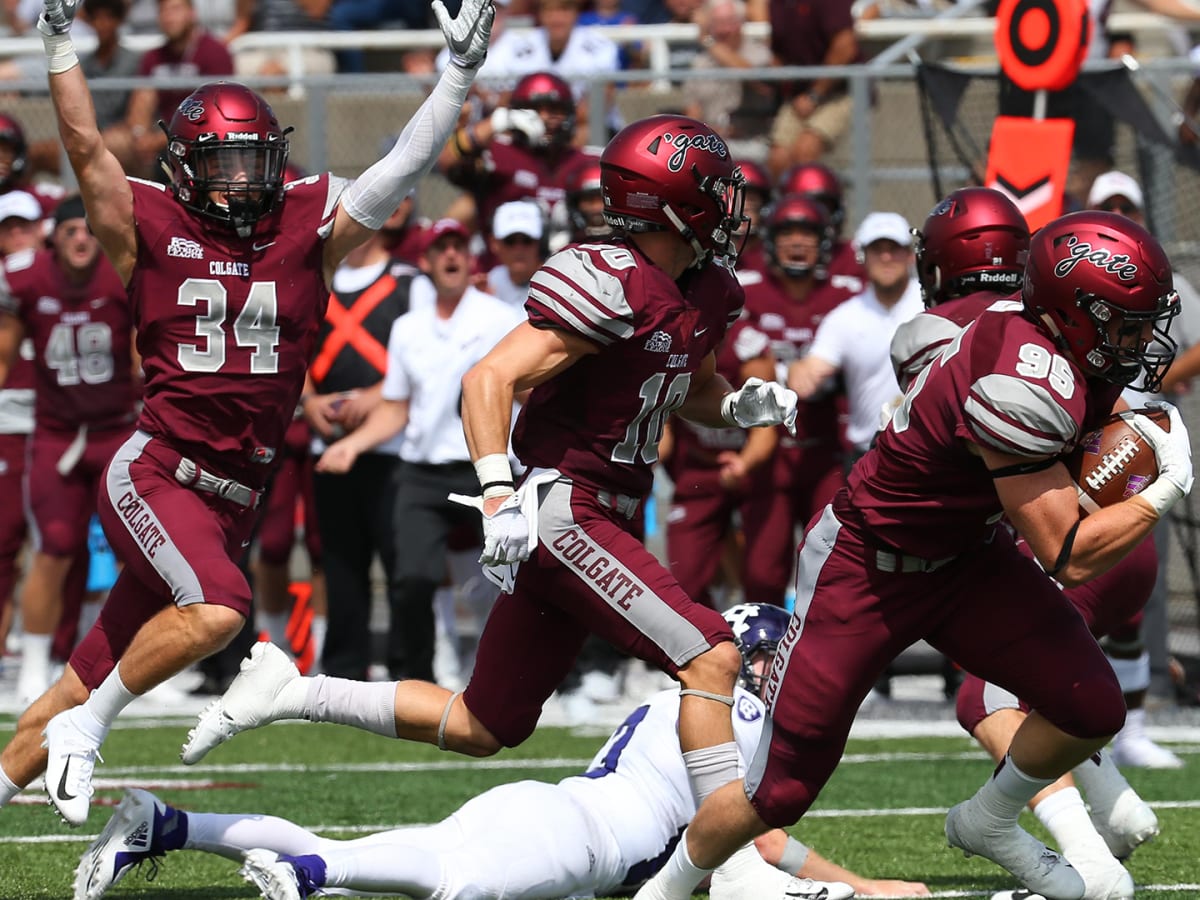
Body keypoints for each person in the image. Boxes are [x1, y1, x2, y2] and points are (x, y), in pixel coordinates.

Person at [180, 114, 806, 891]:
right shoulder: (610, 277)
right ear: (672, 202)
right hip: (562, 508)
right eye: (716, 189)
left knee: (487, 723)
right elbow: (489, 380)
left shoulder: (705, 287)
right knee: (712, 653)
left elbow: (690, 386)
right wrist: (499, 493)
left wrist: (739, 406)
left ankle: (294, 689)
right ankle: (732, 869)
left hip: (603, 511)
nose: (732, 205)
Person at [0, 0, 495, 829]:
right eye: (224, 163)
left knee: (73, 684)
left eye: (254, 160)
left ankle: (58, 732)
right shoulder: (146, 223)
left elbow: (402, 168)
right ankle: (88, 731)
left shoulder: (304, 224)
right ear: (186, 167)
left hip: (234, 494)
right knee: (219, 610)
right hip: (158, 471)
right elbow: (85, 147)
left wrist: (458, 77)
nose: (243, 180)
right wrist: (57, 40)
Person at [632, 209, 1191, 900]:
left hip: (967, 561)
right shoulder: (1017, 384)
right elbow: (1068, 552)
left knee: (1093, 707)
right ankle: (668, 888)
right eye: (1127, 324)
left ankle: (987, 819)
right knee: (781, 789)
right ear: (1075, 315)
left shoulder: (1053, 341)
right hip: (867, 568)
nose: (1141, 341)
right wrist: (1167, 485)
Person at [76, 604, 929, 900]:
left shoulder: (689, 695)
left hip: (556, 812)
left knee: (411, 863)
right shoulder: (738, 712)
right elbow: (758, 838)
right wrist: (863, 884)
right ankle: (309, 877)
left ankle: (171, 825)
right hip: (581, 841)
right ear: (756, 666)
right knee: (449, 880)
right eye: (777, 665)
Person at [892, 187, 1159, 899]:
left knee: (984, 695)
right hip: (1127, 538)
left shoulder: (939, 332)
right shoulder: (1056, 322)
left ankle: (1088, 859)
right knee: (1052, 680)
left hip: (1064, 538)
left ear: (946, 261)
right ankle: (1115, 806)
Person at [316, 218, 524, 682]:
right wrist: (351, 445)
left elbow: (527, 393)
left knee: (511, 578)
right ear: (426, 262)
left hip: (486, 467)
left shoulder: (501, 319)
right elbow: (396, 409)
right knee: (411, 578)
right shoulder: (409, 327)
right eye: (441, 249)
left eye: (458, 247)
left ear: (470, 259)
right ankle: (419, 680)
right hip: (422, 472)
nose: (451, 256)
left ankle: (513, 675)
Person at [0, 194, 140, 706]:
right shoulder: (30, 281)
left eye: (88, 230)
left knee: (135, 552)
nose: (81, 238)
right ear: (52, 239)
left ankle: (134, 664)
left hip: (116, 431)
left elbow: (145, 354)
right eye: (69, 231)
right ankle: (36, 663)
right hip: (57, 434)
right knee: (54, 547)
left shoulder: (120, 275)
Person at [300, 203, 418, 681]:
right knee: (339, 561)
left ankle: (407, 664)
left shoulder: (408, 281)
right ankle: (343, 668)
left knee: (400, 560)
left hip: (391, 443)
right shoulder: (309, 282)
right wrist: (308, 403)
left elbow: (420, 351)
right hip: (326, 443)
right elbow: (290, 347)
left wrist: (375, 397)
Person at [737, 194, 848, 607]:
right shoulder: (745, 291)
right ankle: (758, 656)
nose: (798, 242)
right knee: (763, 570)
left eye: (808, 233)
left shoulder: (845, 295)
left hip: (825, 452)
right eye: (788, 233)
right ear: (770, 241)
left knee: (830, 565)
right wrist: (786, 376)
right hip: (770, 452)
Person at [788, 210, 921, 460]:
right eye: (877, 249)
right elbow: (811, 370)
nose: (886, 257)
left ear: (910, 255)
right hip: (868, 455)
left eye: (894, 248)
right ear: (863, 257)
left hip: (928, 453)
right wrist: (798, 371)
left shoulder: (931, 305)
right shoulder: (844, 318)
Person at [124, 0, 235, 178]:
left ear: (192, 13)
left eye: (175, 9)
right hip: (159, 135)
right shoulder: (153, 57)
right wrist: (139, 135)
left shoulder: (215, 52)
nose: (169, 18)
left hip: (203, 138)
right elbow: (141, 101)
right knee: (114, 144)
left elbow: (212, 111)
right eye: (163, 11)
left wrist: (159, 140)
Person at [486, 199, 547, 307]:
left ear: (539, 243)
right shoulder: (489, 284)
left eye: (527, 240)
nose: (519, 249)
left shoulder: (555, 286)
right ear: (494, 243)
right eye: (510, 241)